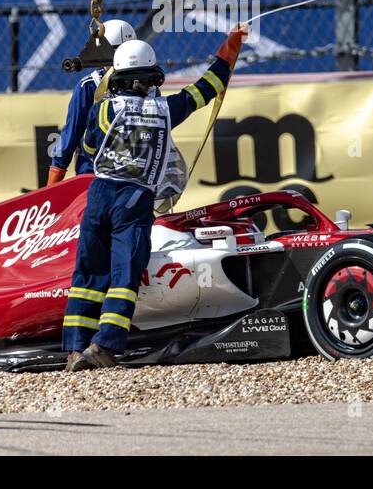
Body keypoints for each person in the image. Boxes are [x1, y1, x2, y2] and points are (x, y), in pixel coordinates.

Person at [64, 27, 246, 371]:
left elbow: (87, 152)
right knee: (124, 273)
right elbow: (204, 91)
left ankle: (74, 348)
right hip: (136, 198)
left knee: (87, 273)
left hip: (100, 194)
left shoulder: (102, 111)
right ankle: (104, 346)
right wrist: (228, 52)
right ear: (151, 77)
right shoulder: (165, 110)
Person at [48, 19, 136, 185]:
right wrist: (49, 193)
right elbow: (69, 138)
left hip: (133, 173)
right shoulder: (88, 87)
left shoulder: (147, 86)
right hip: (93, 175)